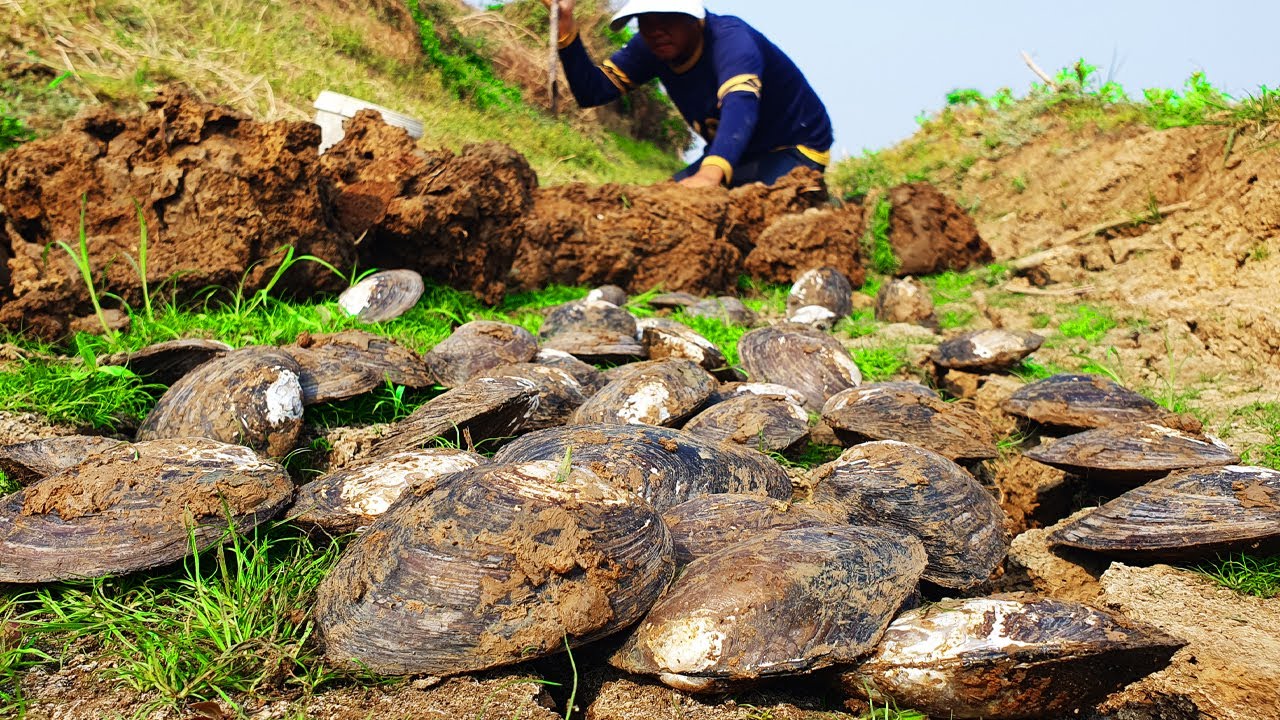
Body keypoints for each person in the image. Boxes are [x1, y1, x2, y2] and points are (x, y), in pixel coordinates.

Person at [546, 0, 833, 188]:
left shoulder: (732, 41)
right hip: (736, 154)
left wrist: (709, 174)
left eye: (666, 18)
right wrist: (566, 27)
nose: (656, 31)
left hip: (793, 148)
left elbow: (740, 105)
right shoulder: (650, 47)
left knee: (747, 217)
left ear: (693, 18)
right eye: (645, 20)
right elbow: (592, 91)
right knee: (660, 203)